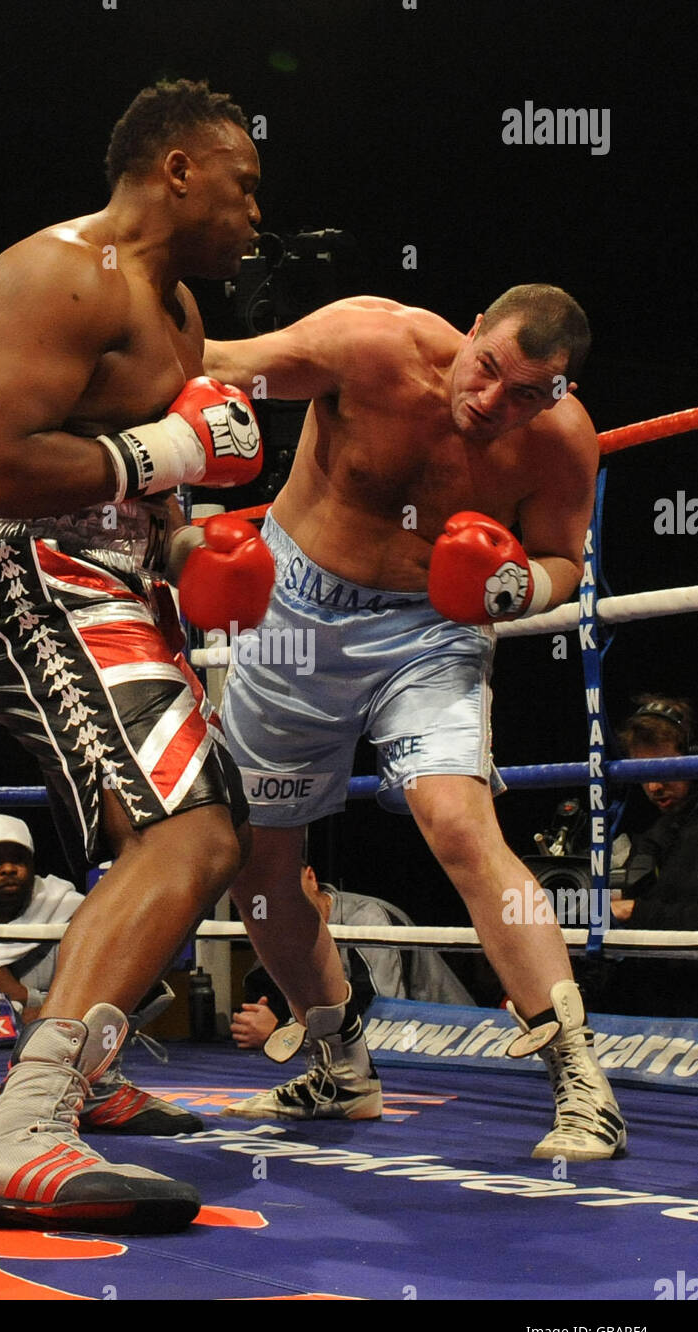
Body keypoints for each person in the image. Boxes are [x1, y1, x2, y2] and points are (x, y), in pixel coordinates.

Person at [0, 79, 275, 1232]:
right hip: (27, 576)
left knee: (170, 835)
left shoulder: (178, 318)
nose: (256, 211)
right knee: (196, 827)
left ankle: (83, 1069)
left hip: (121, 586)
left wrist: (202, 543)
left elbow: (147, 484)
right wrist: (168, 447)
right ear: (179, 169)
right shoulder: (56, 273)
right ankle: (21, 1131)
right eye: (245, 182)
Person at [205, 284, 627, 1159]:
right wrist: (192, 427)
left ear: (557, 393)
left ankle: (582, 1081)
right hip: (293, 614)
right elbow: (217, 366)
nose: (489, 403)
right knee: (262, 862)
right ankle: (338, 1067)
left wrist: (514, 588)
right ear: (470, 331)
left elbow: (558, 560)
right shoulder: (367, 343)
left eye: (524, 394)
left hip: (433, 630)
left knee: (457, 820)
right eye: (487, 371)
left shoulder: (560, 440)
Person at [0, 814, 199, 1135]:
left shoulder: (76, 912)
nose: (7, 869)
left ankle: (92, 1091)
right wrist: (32, 1015)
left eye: (17, 859)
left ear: (33, 865)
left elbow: (125, 997)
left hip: (66, 1055)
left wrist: (20, 997)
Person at [231, 863, 473, 1048]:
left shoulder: (369, 921)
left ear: (311, 878)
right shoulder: (280, 928)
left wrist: (280, 1036)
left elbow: (384, 1024)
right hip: (398, 1052)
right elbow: (264, 1006)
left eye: (284, 888)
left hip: (455, 1043)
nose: (280, 902)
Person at [612, 696, 698, 932]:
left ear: (692, 755)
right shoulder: (658, 831)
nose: (653, 787)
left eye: (664, 768)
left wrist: (635, 911)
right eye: (641, 771)